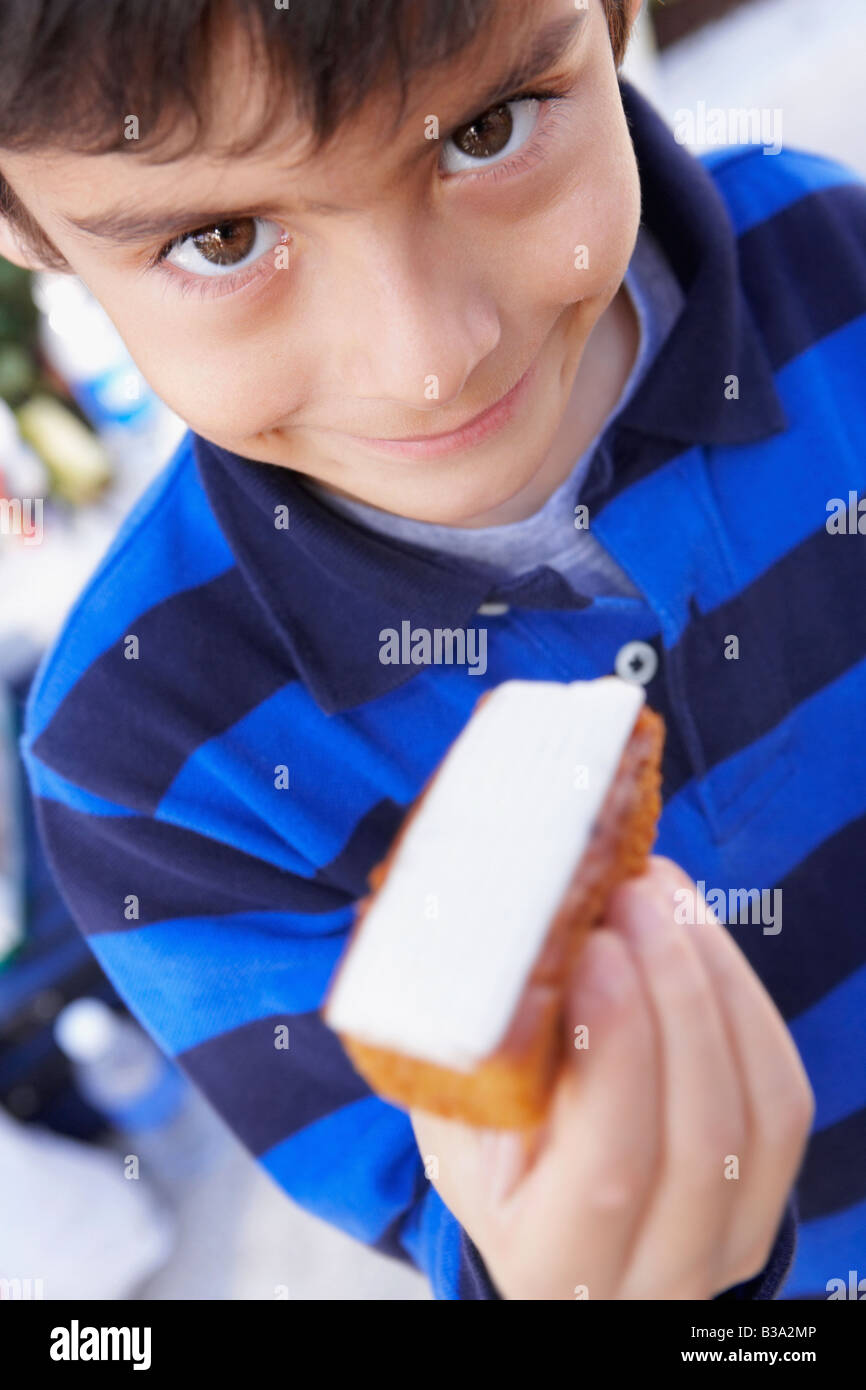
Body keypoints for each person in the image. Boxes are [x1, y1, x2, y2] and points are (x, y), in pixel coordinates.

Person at [6, 0, 862, 1299]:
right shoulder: (149, 756)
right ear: (24, 226)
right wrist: (594, 1264)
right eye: (222, 237)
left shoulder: (829, 255)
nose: (428, 362)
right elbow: (445, 1220)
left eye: (485, 127)